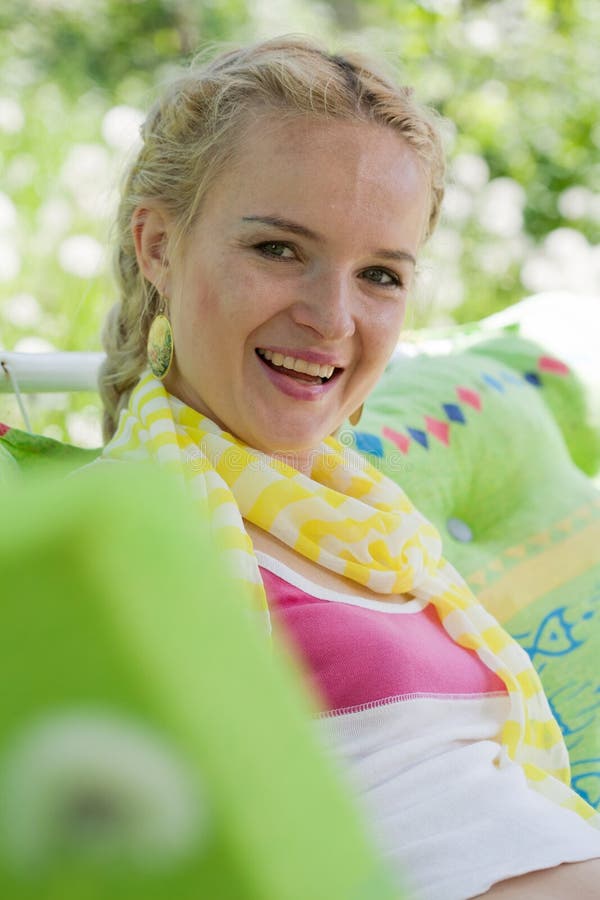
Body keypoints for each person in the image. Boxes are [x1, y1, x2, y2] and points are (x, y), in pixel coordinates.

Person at [96, 36, 600, 899]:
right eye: (278, 249)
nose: (332, 319)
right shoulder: (122, 534)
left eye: (379, 275)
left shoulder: (374, 530)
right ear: (158, 246)